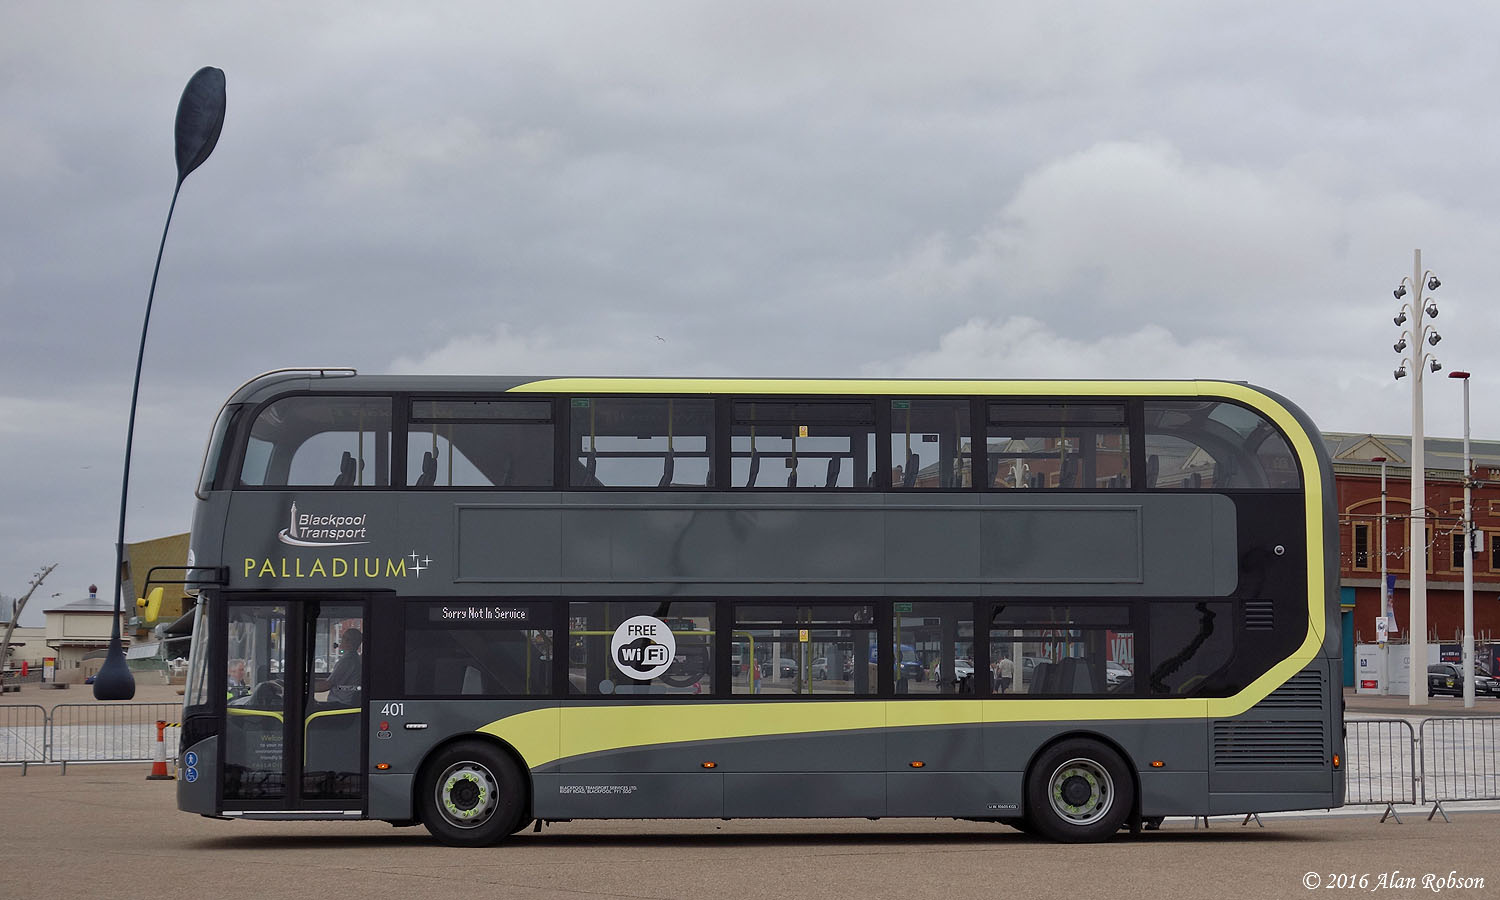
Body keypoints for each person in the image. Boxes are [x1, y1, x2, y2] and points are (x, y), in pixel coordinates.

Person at [326, 627, 363, 705]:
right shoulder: (354, 658)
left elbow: (327, 685)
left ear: (349, 642)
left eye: (344, 638)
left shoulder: (347, 661)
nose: (342, 640)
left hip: (339, 704)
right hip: (344, 702)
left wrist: (311, 687)